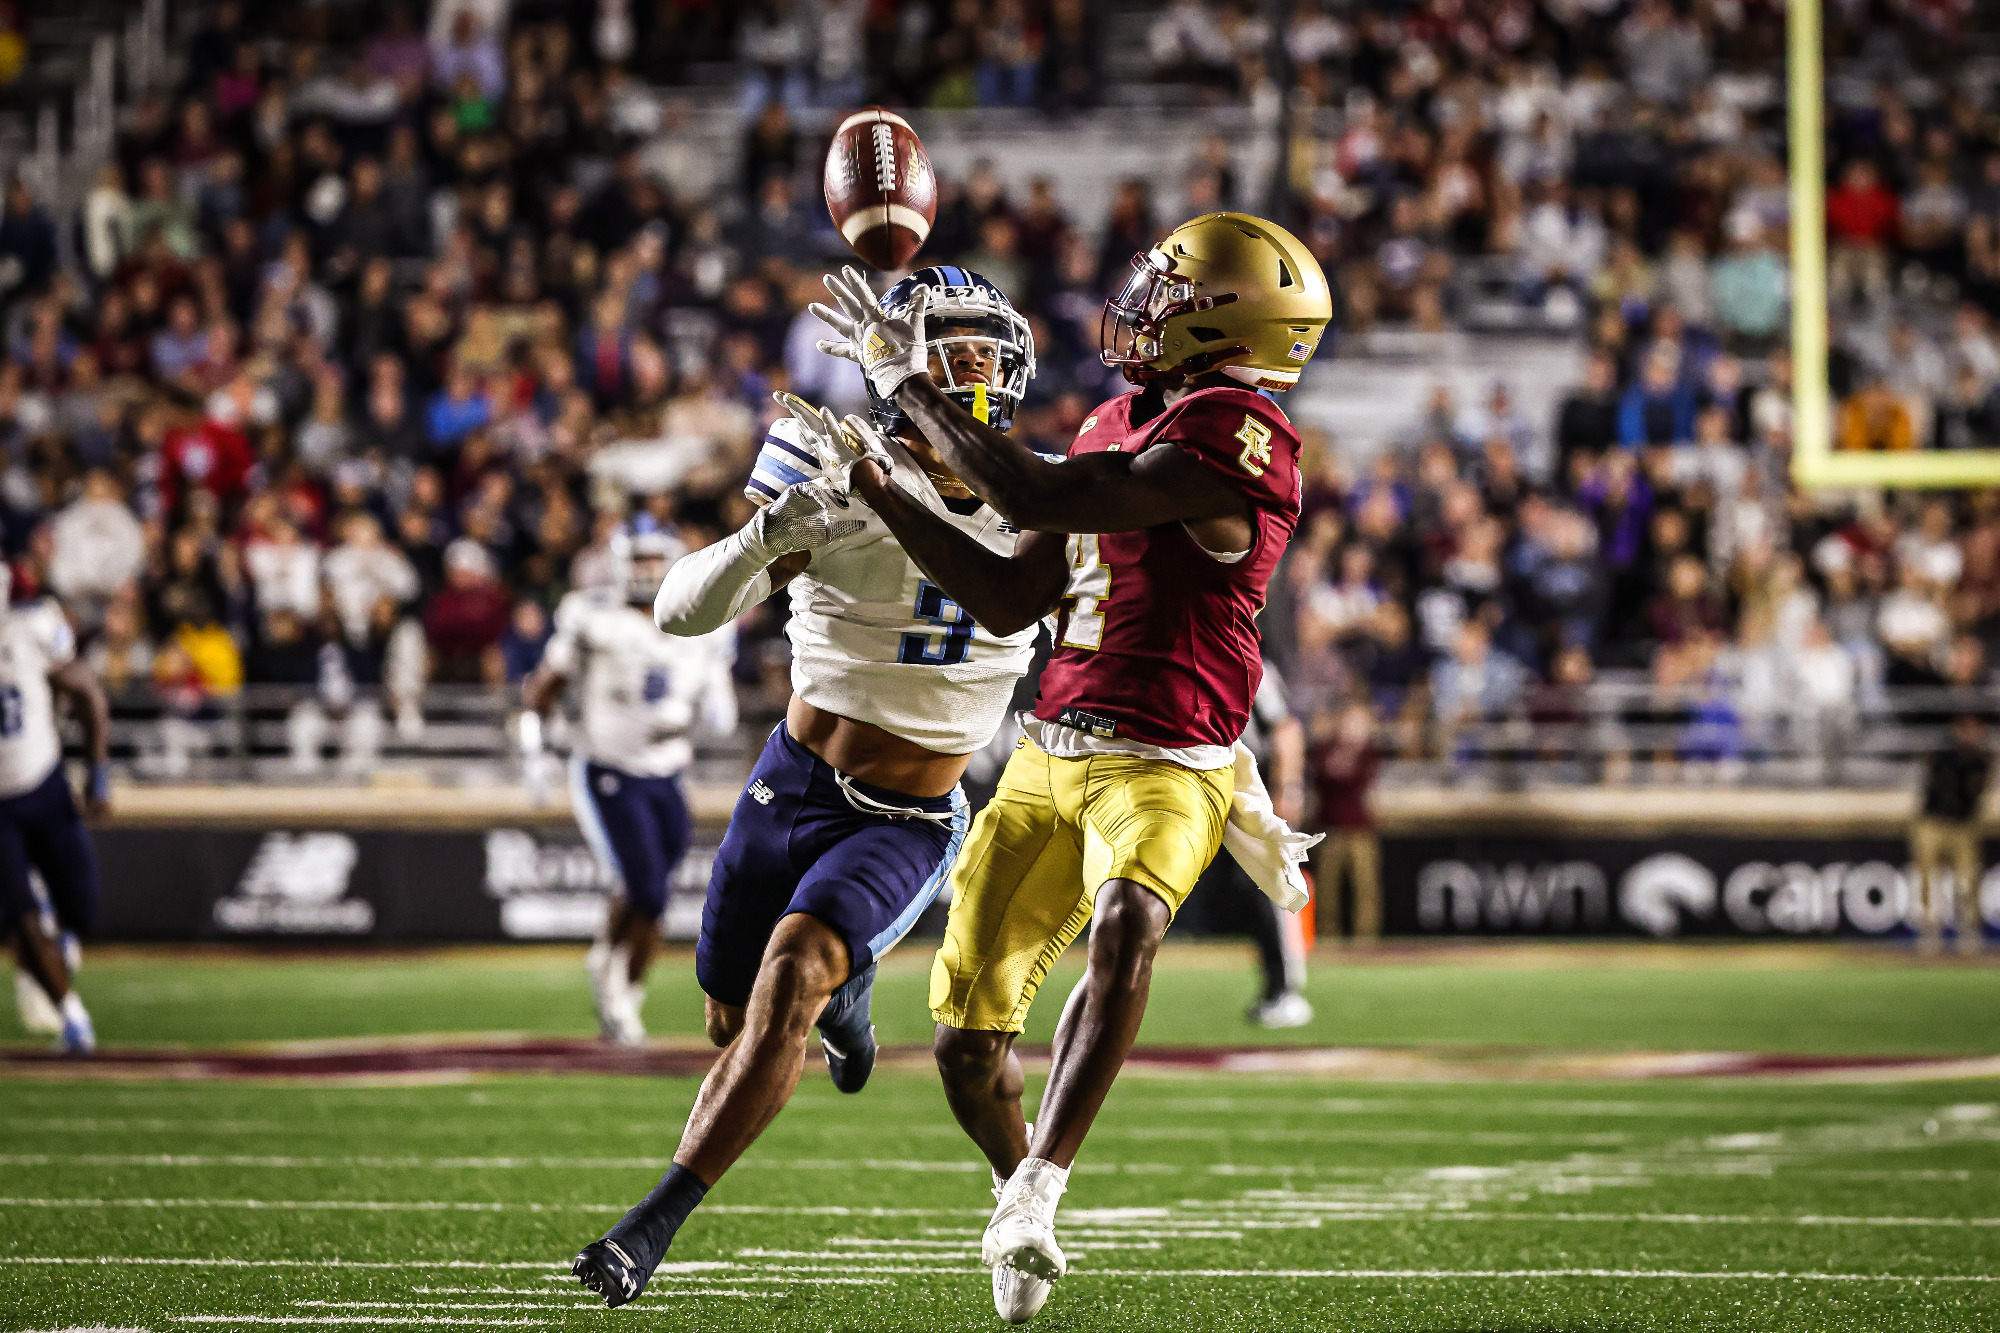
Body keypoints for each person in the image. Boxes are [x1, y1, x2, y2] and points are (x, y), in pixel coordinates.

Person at [808, 211, 1330, 1323]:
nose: (1142, 304)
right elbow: (1008, 593)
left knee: (1130, 920)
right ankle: (1013, 1192)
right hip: (1050, 753)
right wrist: (885, 491)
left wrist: (909, 389)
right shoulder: (1112, 418)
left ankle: (1041, 1184)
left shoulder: (1241, 428)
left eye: (1170, 289)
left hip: (1170, 761)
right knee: (960, 1050)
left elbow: (1037, 497)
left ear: (1222, 318)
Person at [570, 267, 1041, 1309]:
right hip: (788, 787)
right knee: (726, 1018)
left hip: (909, 818)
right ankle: (853, 996)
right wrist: (764, 538)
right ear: (901, 361)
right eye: (952, 346)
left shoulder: (1043, 496)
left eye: (986, 347)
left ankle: (649, 1227)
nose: (976, 364)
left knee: (792, 976)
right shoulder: (832, 460)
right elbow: (680, 612)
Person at [520, 523, 737, 1046]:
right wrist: (536, 749)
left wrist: (716, 698)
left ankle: (607, 960)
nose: (644, 571)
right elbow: (542, 688)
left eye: (652, 560)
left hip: (668, 770)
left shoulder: (703, 621)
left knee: (649, 883)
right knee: (649, 889)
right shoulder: (593, 617)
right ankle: (624, 995)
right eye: (637, 560)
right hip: (608, 767)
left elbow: (715, 695)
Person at [0, 563, 111, 1054]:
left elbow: (88, 695)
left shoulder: (32, 627)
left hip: (43, 784)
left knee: (82, 907)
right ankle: (72, 1018)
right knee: (20, 916)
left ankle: (57, 943)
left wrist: (98, 773)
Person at [1186, 661, 1313, 1027]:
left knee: (1268, 886)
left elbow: (1286, 729)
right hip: (1213, 787)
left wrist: (1288, 788)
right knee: (1240, 892)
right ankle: (1275, 989)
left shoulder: (1247, 661)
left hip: (1251, 786)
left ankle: (1287, 990)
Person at [1910, 712, 1991, 956]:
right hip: (1933, 822)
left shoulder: (1980, 760)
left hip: (1963, 825)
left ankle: (1969, 931)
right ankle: (1929, 930)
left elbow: (1975, 792)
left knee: (1967, 880)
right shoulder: (1942, 756)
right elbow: (1937, 788)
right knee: (1928, 879)